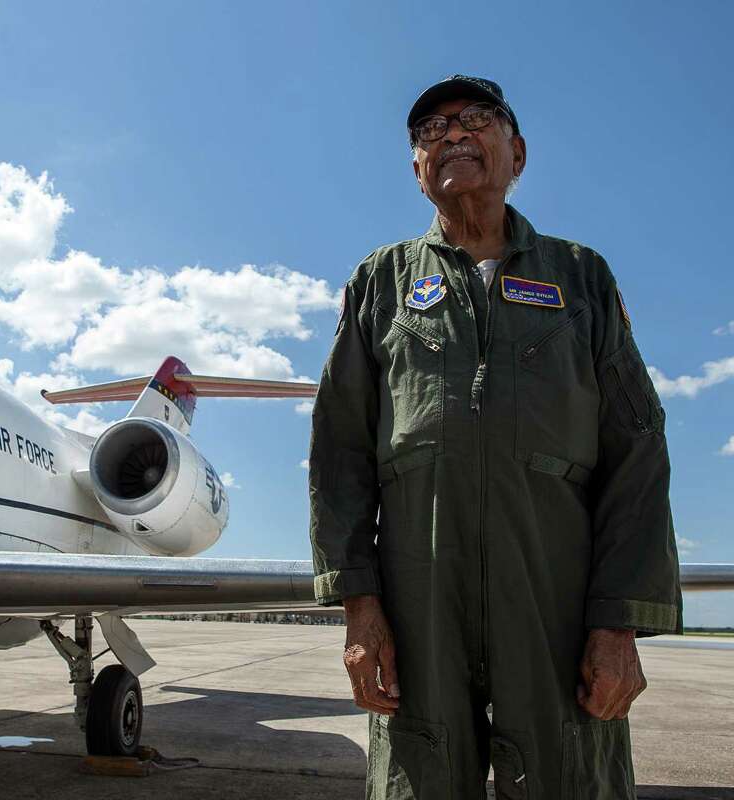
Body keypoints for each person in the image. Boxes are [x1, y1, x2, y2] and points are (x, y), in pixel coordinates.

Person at [307, 75, 682, 799]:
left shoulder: (582, 278)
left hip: (557, 597)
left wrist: (619, 624)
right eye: (429, 130)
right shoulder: (380, 281)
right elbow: (339, 453)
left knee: (568, 776)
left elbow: (637, 448)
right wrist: (360, 610)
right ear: (417, 170)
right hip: (418, 601)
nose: (451, 134)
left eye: (476, 119)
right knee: (418, 776)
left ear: (518, 151)